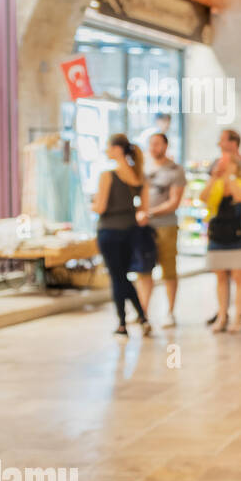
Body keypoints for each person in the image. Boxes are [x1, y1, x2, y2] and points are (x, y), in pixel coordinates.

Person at [91, 134, 153, 337]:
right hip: (130, 231)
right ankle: (142, 317)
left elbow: (100, 207)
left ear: (117, 149)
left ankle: (122, 324)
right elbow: (144, 211)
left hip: (109, 231)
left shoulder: (108, 175)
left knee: (117, 278)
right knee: (123, 277)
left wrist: (92, 204)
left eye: (108, 147)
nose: (107, 151)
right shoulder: (138, 177)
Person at [204, 152, 241, 333]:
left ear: (236, 167)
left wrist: (227, 177)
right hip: (218, 234)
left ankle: (237, 317)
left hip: (239, 235)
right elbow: (204, 198)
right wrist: (214, 178)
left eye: (227, 163)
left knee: (238, 277)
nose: (223, 166)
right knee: (220, 277)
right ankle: (222, 316)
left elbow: (240, 197)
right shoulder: (215, 183)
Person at [141, 132, 186, 325]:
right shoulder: (144, 169)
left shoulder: (175, 170)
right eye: (151, 144)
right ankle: (142, 311)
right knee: (143, 270)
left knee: (168, 270)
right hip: (144, 227)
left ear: (165, 146)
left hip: (166, 226)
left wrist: (150, 212)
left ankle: (170, 311)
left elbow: (174, 201)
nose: (153, 147)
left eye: (157, 144)